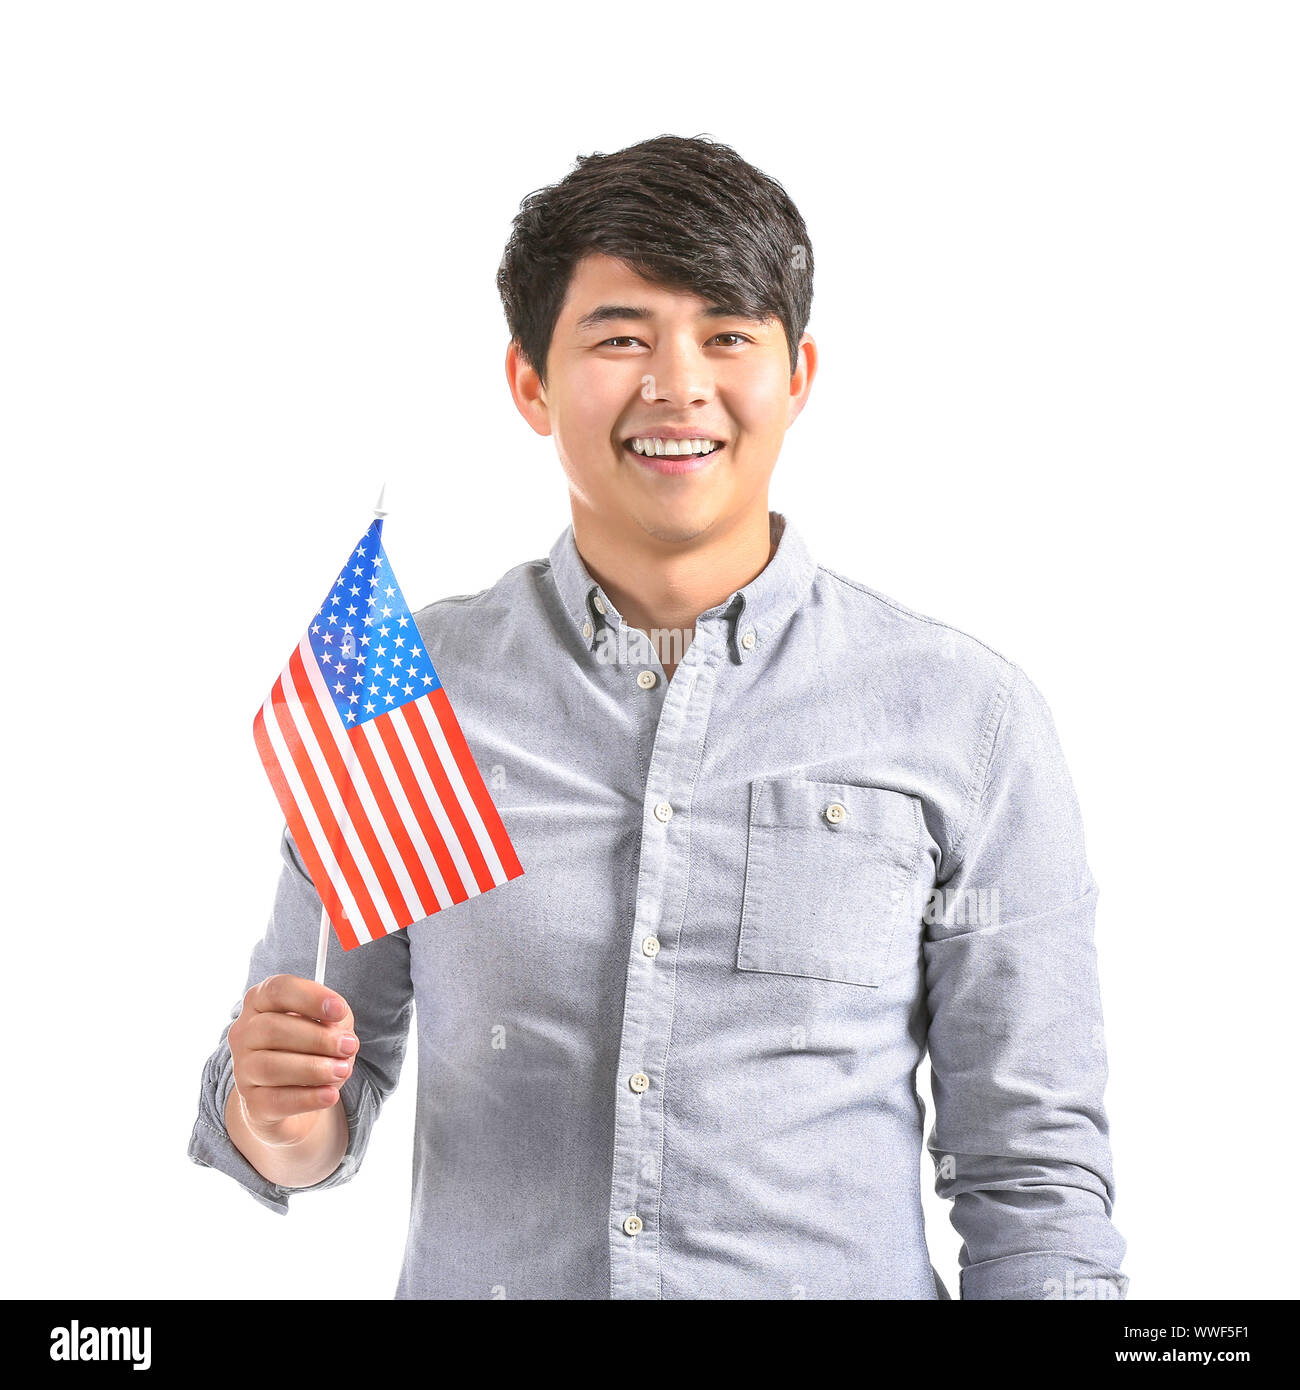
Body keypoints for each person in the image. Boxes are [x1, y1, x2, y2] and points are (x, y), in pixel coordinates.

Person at [188, 133, 1129, 1301]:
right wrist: (277, 1112)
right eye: (620, 336)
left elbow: (1034, 1182)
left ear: (797, 375)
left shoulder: (967, 718)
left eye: (727, 334)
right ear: (530, 381)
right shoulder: (400, 694)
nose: (677, 383)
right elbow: (316, 1091)